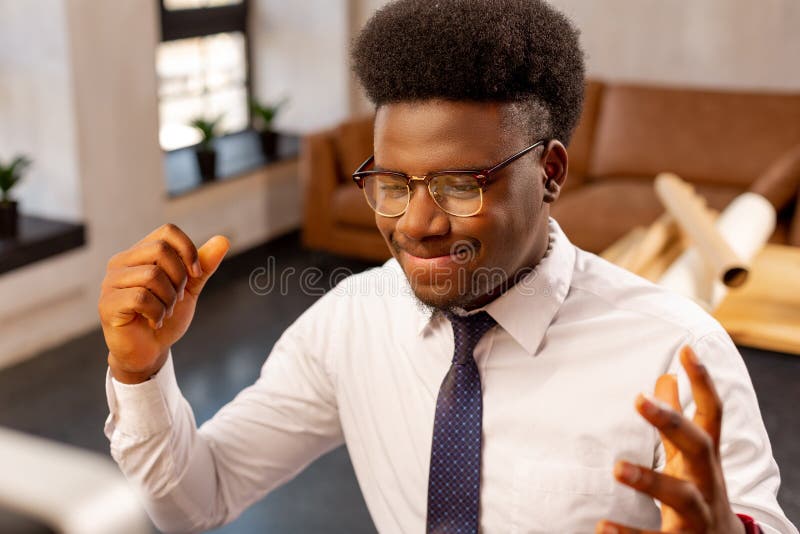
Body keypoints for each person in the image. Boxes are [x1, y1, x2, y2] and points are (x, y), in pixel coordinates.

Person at [99, 1, 797, 533]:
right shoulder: (351, 321)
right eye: (393, 186)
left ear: (550, 172)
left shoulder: (676, 351)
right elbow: (199, 497)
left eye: (462, 184)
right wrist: (139, 372)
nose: (417, 225)